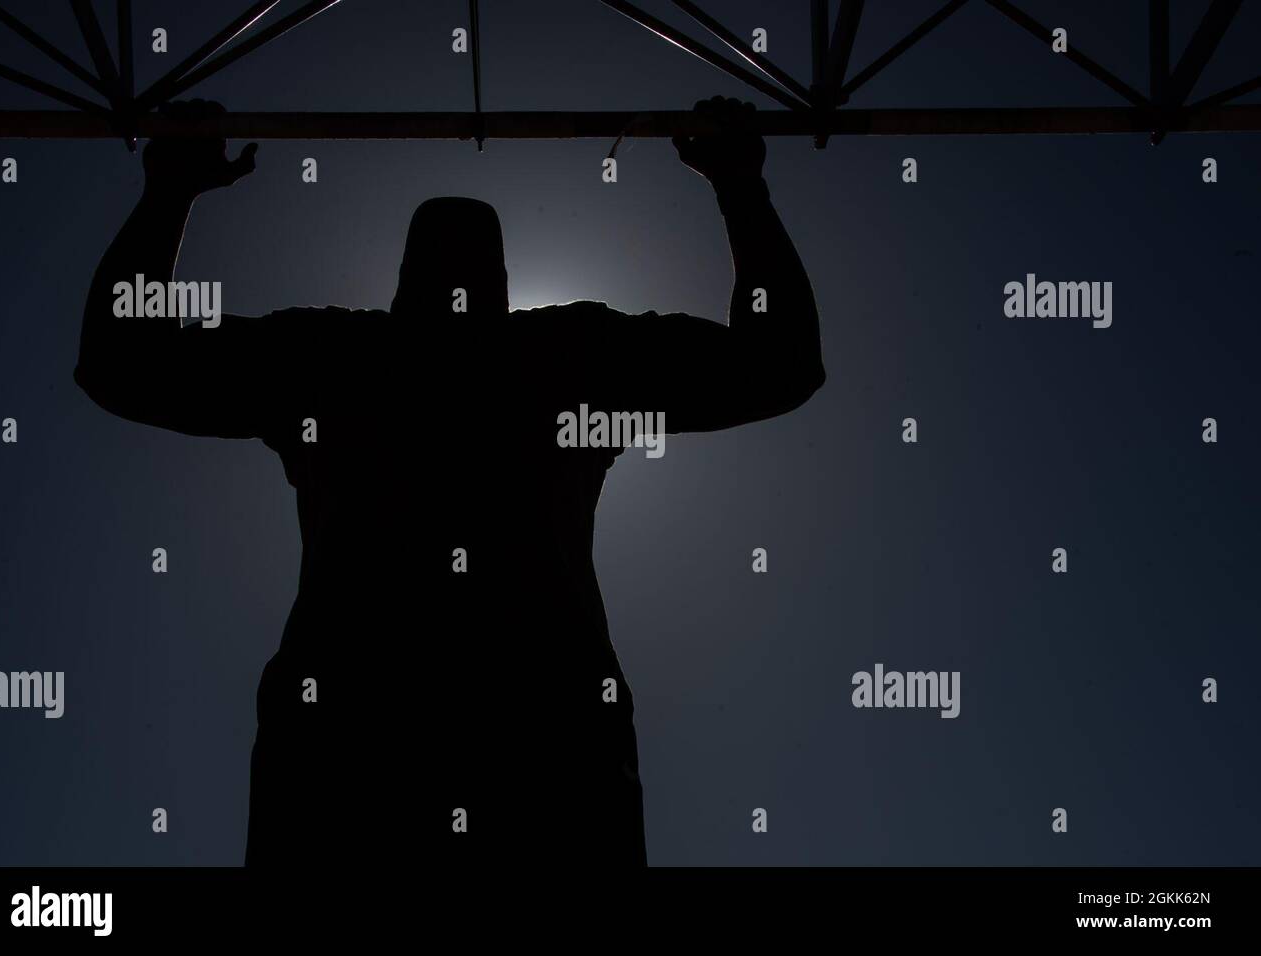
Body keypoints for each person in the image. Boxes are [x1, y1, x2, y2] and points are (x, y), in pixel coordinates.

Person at [76, 95, 824, 868]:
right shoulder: (566, 358)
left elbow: (118, 360)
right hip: (535, 755)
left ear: (404, 277)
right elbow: (781, 363)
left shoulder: (335, 362)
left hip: (358, 756)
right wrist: (739, 187)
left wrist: (169, 192)